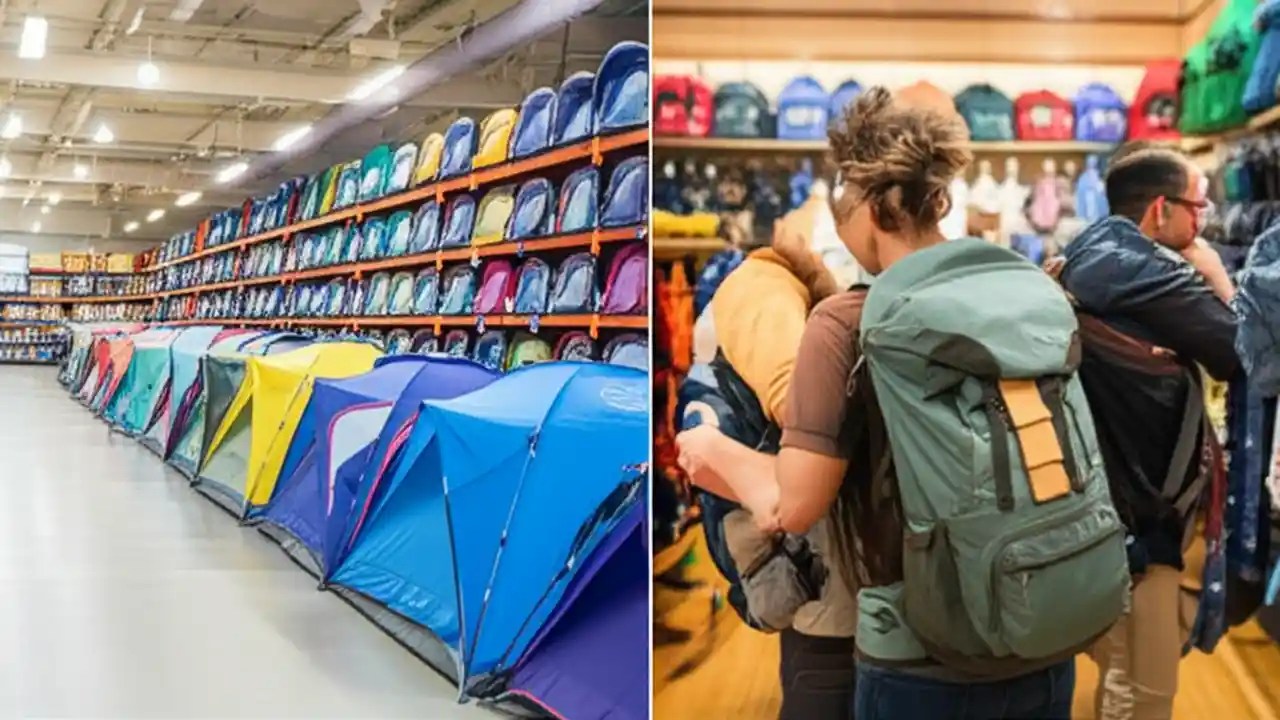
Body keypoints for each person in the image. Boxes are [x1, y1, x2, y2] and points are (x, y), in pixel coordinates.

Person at [678, 86, 1120, 719]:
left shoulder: (844, 323)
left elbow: (793, 506)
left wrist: (710, 448)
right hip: (1044, 626)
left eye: (841, 199)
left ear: (871, 206)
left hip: (924, 654)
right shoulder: (1020, 286)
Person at [1056, 146, 1239, 720]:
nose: (1203, 221)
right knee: (1145, 686)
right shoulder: (1145, 271)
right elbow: (1243, 352)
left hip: (1105, 497)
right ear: (1161, 209)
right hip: (1142, 512)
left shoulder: (1091, 248)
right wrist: (1215, 274)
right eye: (1198, 207)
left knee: (1122, 670)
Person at [682, 199, 857, 719]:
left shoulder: (774, 294)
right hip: (819, 577)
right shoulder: (765, 290)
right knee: (819, 686)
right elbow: (800, 405)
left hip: (814, 566)